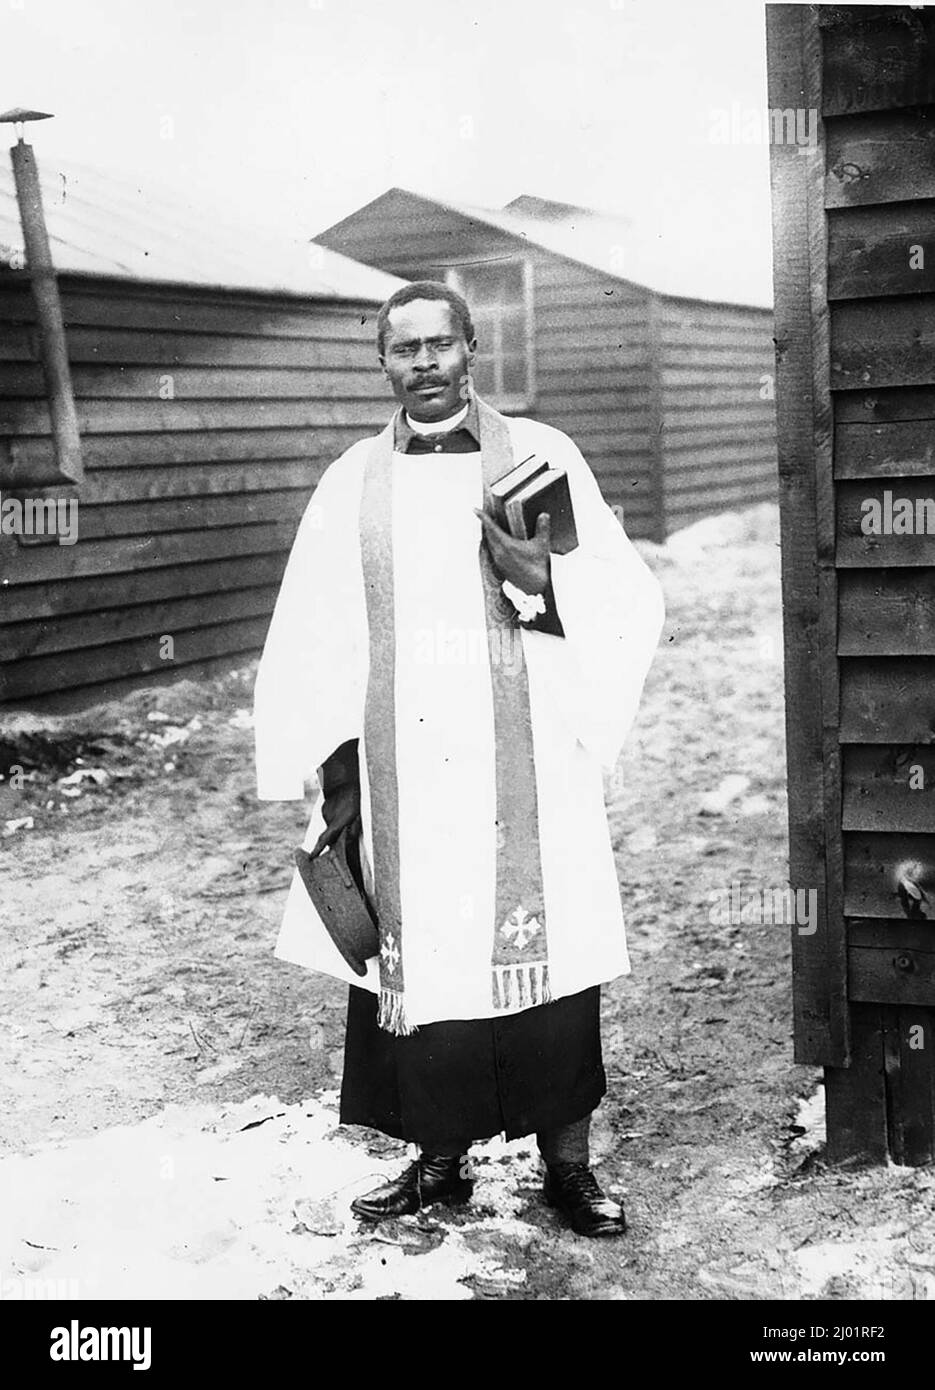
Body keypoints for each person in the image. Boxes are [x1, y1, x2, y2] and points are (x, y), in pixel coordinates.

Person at [254, 280, 664, 1236]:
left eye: (443, 344)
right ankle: (437, 1161)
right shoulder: (352, 479)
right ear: (383, 363)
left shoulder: (539, 457)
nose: (426, 364)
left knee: (547, 961)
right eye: (406, 349)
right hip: (405, 765)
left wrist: (544, 578)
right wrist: (334, 767)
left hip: (526, 764)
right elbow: (312, 628)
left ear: (474, 350)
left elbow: (627, 598)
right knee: (420, 958)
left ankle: (568, 1171)